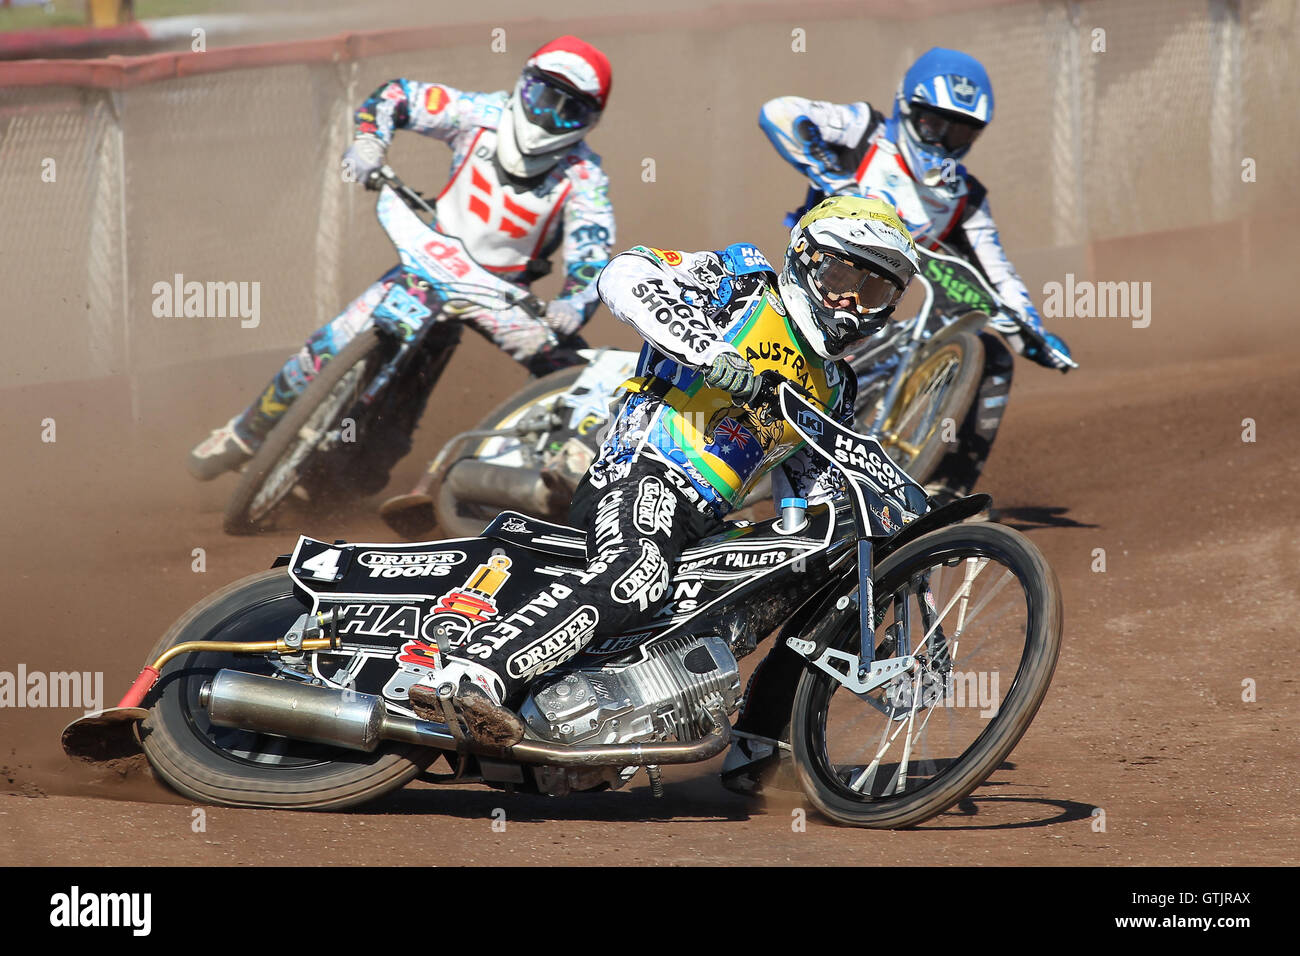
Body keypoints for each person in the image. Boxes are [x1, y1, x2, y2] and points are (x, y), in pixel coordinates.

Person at [407, 196, 920, 776]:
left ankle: (760, 746)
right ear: (805, 256)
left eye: (875, 291)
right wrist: (706, 347)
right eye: (842, 275)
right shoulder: (746, 283)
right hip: (642, 468)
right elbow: (625, 274)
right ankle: (476, 672)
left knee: (768, 592)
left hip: (709, 518)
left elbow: (807, 482)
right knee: (639, 572)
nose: (851, 301)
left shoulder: (836, 385)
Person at [188, 35, 616, 479]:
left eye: (570, 110)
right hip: (429, 256)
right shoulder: (480, 113)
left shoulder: (585, 176)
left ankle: (539, 469)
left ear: (591, 121)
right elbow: (396, 95)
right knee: (325, 348)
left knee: (578, 376)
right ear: (523, 84)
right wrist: (370, 144)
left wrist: (574, 302)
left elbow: (592, 252)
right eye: (543, 98)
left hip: (502, 296)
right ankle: (245, 433)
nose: (549, 116)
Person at [758, 47, 1072, 501]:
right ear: (908, 108)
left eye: (959, 130)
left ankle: (948, 490)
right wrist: (834, 179)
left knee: (994, 354)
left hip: (881, 313)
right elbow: (780, 113)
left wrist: (1033, 331)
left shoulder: (966, 196)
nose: (942, 141)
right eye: (933, 125)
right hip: (809, 294)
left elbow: (997, 271)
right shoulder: (864, 132)